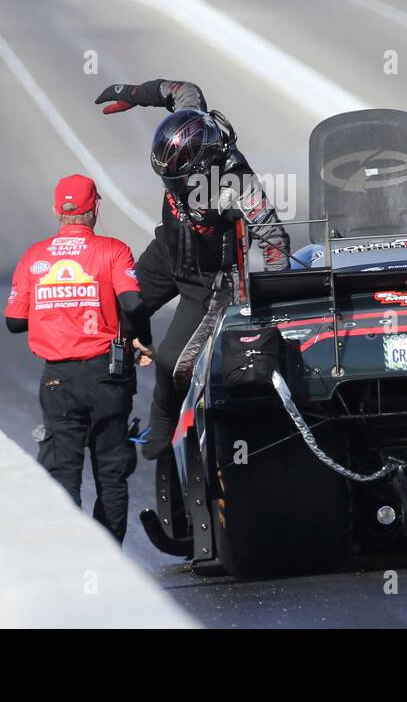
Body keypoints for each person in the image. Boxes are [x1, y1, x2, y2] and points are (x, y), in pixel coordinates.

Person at [94, 80, 289, 461]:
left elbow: (274, 240)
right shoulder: (194, 117)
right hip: (165, 255)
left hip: (209, 282)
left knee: (171, 363)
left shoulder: (237, 181)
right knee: (111, 320)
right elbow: (180, 88)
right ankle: (113, 411)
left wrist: (273, 310)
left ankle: (162, 428)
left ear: (205, 165)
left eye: (178, 178)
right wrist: (132, 93)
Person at [4, 174, 154, 543]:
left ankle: (73, 552)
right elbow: (133, 303)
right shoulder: (113, 250)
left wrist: (56, 307)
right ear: (96, 208)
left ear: (56, 210)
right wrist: (141, 341)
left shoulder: (34, 257)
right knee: (111, 473)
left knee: (63, 471)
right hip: (107, 376)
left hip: (58, 379)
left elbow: (14, 322)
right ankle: (110, 555)